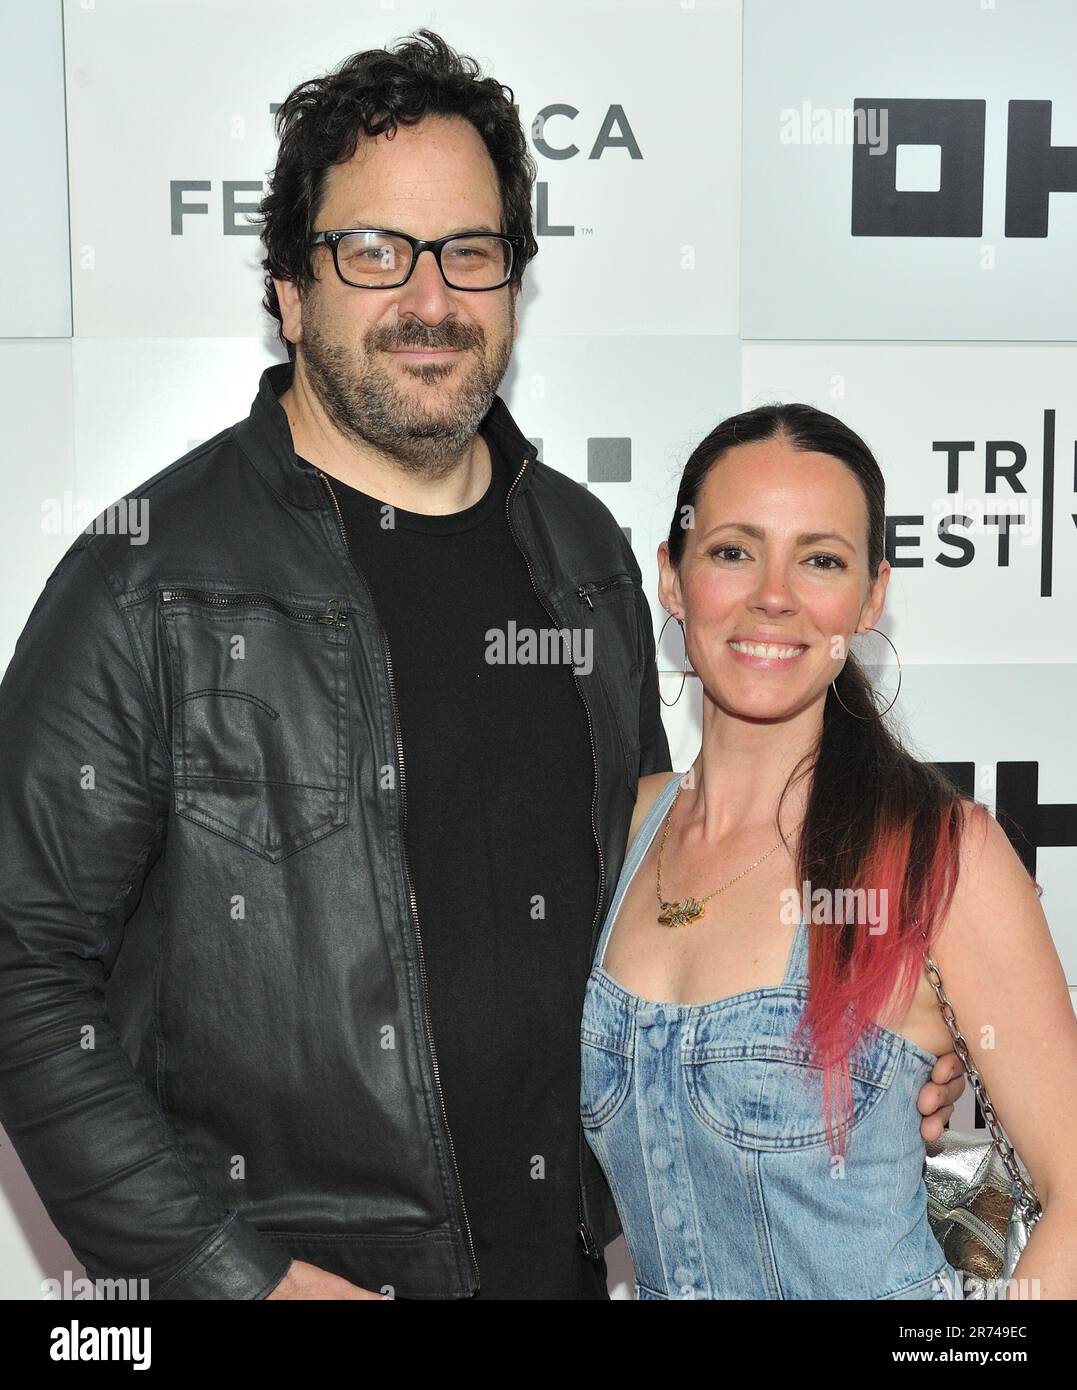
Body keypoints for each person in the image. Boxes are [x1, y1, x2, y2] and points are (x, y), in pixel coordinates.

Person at [0, 32, 962, 1302]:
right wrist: (236, 1277)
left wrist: (849, 1050)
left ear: (513, 279)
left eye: (470, 252)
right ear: (291, 290)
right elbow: (23, 969)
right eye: (374, 254)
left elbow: (662, 907)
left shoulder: (580, 555)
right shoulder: (148, 581)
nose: (430, 298)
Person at [581, 402, 1077, 1299]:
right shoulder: (616, 831)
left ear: (871, 594)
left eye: (820, 560)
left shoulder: (936, 855)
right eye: (732, 550)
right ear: (670, 575)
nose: (773, 595)